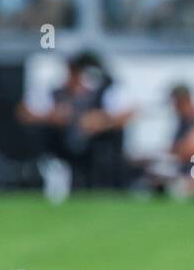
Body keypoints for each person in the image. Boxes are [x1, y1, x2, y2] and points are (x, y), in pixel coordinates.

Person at [16, 51, 134, 191]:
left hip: (93, 145)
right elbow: (23, 113)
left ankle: (106, 183)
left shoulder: (106, 91)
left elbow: (129, 113)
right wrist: (51, 116)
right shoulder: (54, 91)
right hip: (60, 144)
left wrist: (103, 120)